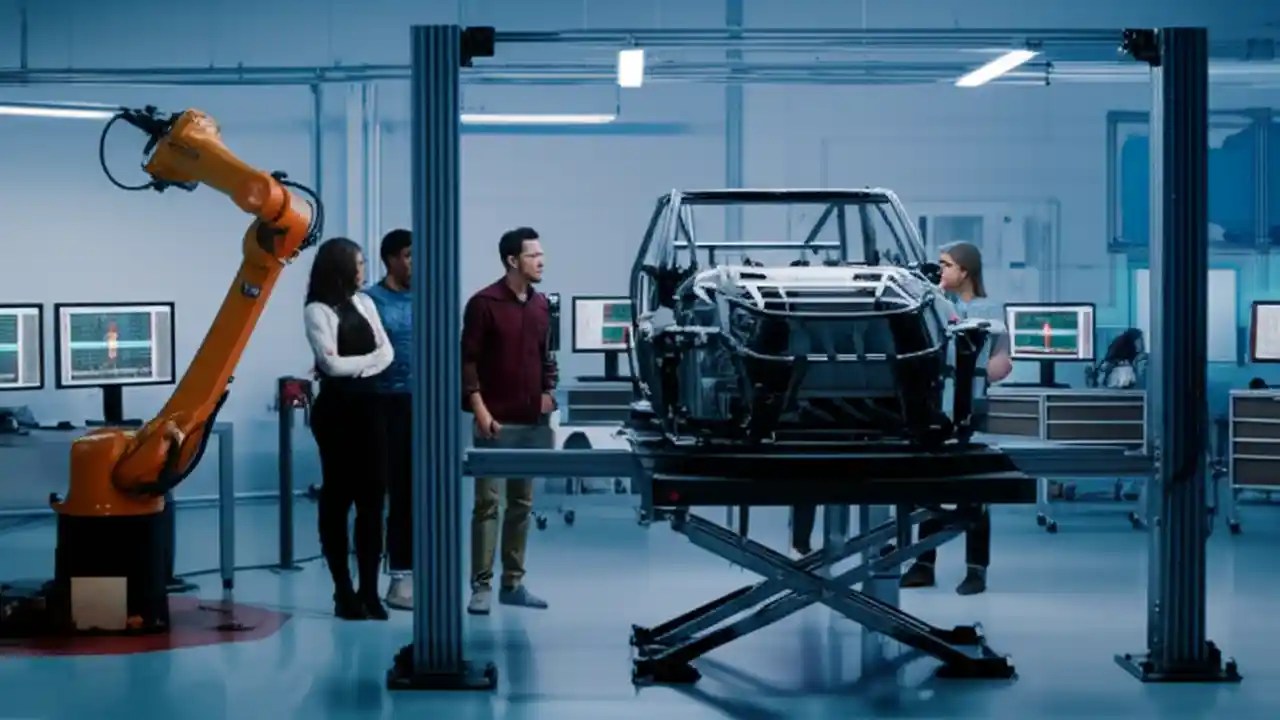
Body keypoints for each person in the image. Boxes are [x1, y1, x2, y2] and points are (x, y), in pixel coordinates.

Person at [900, 240, 1012, 596]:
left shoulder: (990, 310)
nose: (940, 270)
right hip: (935, 411)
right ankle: (923, 563)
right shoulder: (931, 304)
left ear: (965, 271)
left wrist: (980, 366)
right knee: (929, 487)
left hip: (970, 411)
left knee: (974, 492)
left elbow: (1002, 360)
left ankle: (976, 569)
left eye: (946, 264)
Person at [461, 226, 558, 615]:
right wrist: (480, 410)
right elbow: (467, 362)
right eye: (534, 255)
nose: (541, 261)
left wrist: (548, 391)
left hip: (531, 422)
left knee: (521, 504)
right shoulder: (483, 304)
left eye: (541, 254)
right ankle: (481, 586)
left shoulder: (541, 306)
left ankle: (512, 583)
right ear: (512, 261)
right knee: (487, 505)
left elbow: (547, 356)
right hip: (494, 422)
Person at [303, 237, 395, 620]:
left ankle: (370, 590)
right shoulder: (317, 311)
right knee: (338, 498)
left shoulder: (365, 303)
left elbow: (387, 353)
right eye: (359, 263)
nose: (364, 270)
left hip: (371, 409)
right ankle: (343, 590)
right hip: (337, 413)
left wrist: (358, 364)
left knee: (372, 502)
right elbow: (331, 366)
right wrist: (367, 363)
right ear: (341, 268)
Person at [365, 229, 415, 610]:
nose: (417, 263)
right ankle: (377, 579)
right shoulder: (370, 301)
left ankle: (406, 573)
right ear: (391, 260)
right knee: (376, 491)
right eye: (410, 255)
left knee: (410, 493)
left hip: (420, 404)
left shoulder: (429, 298)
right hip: (379, 404)